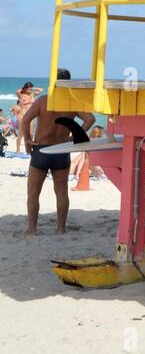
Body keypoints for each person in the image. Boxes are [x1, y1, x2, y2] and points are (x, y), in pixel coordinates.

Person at [20, 69, 94, 234]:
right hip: (61, 149)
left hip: (42, 149)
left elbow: (25, 120)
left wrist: (27, 139)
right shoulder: (71, 103)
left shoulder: (43, 101)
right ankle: (61, 228)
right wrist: (74, 137)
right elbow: (90, 119)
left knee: (33, 192)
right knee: (61, 191)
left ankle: (32, 229)